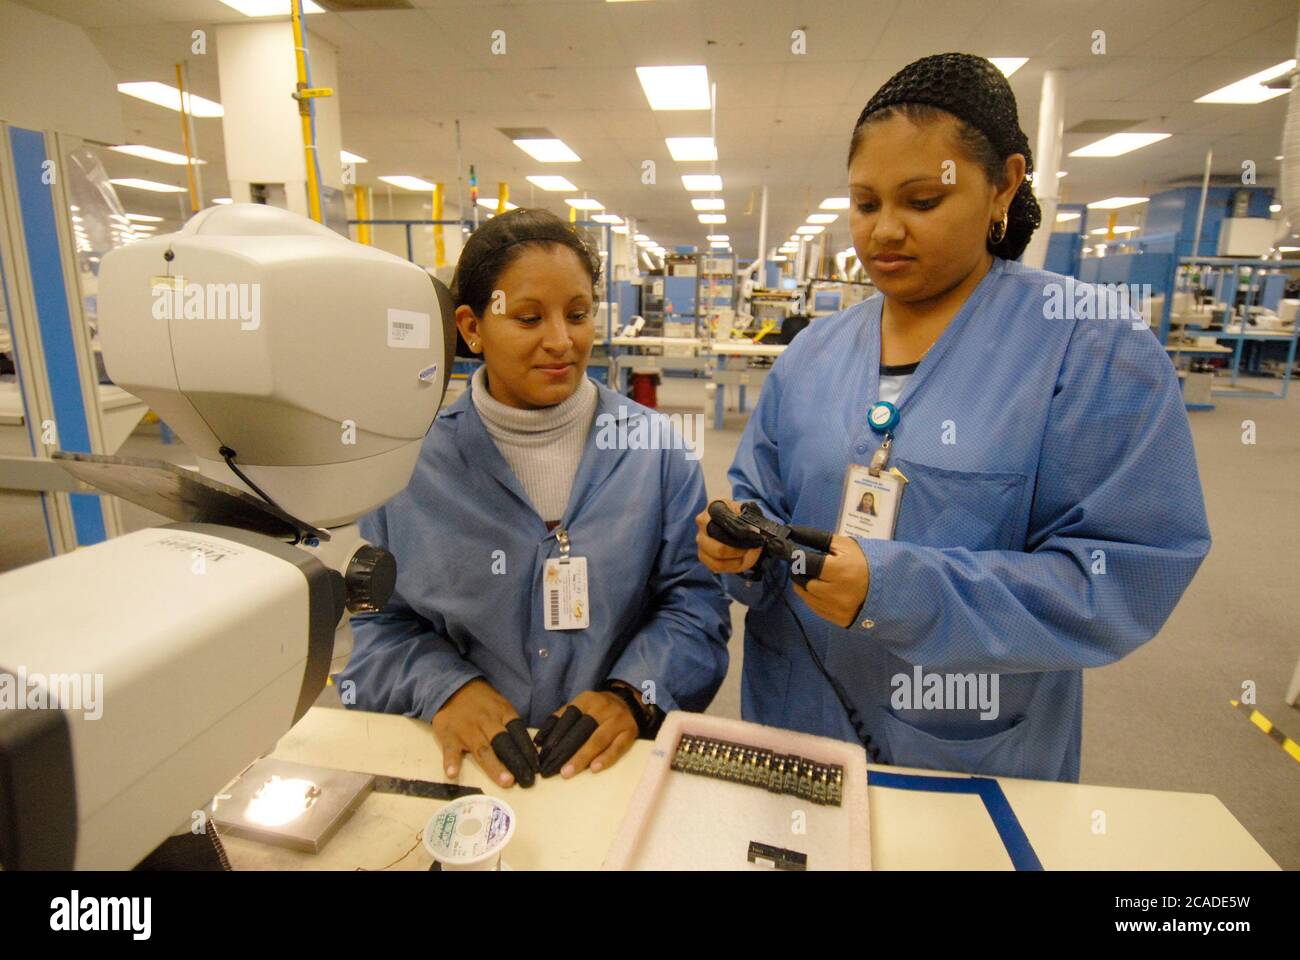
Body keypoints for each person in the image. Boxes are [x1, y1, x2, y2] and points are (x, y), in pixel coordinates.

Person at [696, 53, 1210, 783]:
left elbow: (1123, 577)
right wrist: (738, 549)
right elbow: (761, 494)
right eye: (866, 205)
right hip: (795, 718)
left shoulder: (1088, 347)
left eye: (922, 202)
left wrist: (899, 591)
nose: (885, 232)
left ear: (1004, 183)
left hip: (959, 746)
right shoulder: (813, 353)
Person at [343, 208, 730, 788]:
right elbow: (381, 625)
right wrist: (446, 687)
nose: (561, 341)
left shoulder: (656, 453)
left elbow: (696, 606)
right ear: (472, 327)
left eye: (578, 315)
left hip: (606, 767)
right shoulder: (410, 467)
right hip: (466, 765)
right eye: (528, 318)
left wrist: (632, 695)